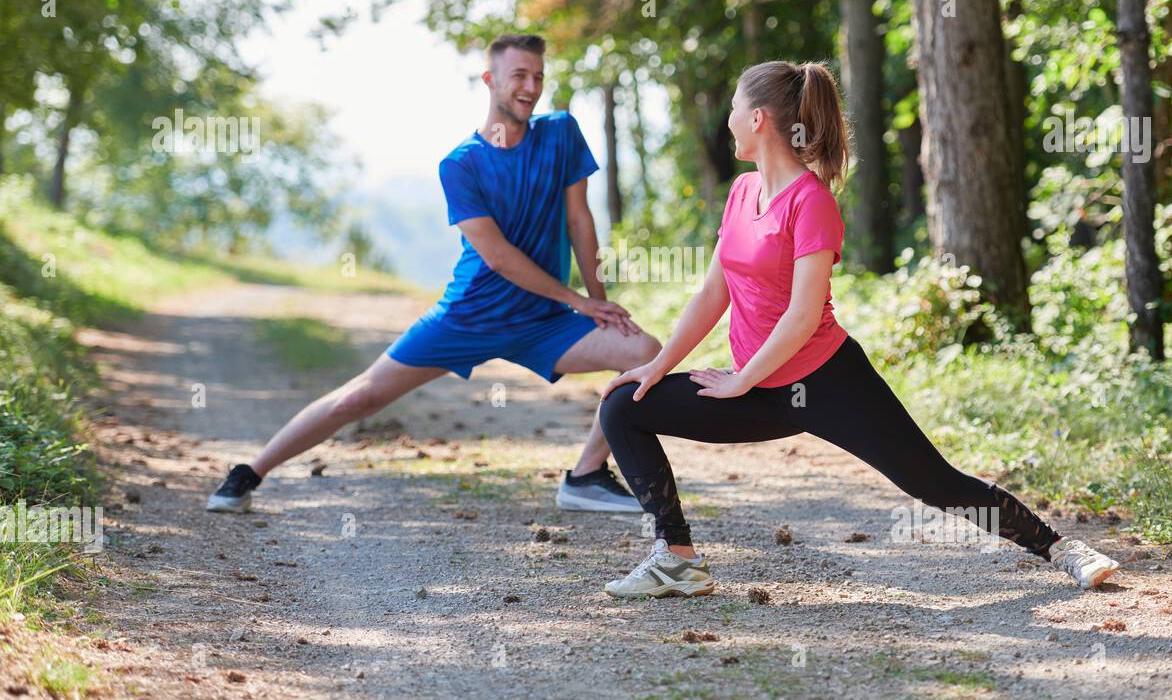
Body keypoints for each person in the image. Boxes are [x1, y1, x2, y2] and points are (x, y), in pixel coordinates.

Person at [597, 60, 1120, 598]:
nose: (726, 119)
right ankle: (676, 558)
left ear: (756, 119)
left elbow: (803, 315)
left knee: (935, 483)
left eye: (733, 107)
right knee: (622, 407)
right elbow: (714, 293)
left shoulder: (811, 201)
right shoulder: (742, 193)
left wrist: (740, 379)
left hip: (826, 382)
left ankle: (1062, 549)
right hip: (757, 389)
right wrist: (659, 366)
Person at [207, 33, 657, 515]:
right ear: (490, 80)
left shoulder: (561, 133)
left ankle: (585, 476)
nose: (531, 87)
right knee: (361, 398)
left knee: (644, 352)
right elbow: (498, 257)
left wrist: (596, 301)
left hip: (544, 321)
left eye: (538, 76)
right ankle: (250, 472)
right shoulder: (461, 165)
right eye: (519, 76)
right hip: (469, 316)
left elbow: (579, 221)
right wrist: (577, 300)